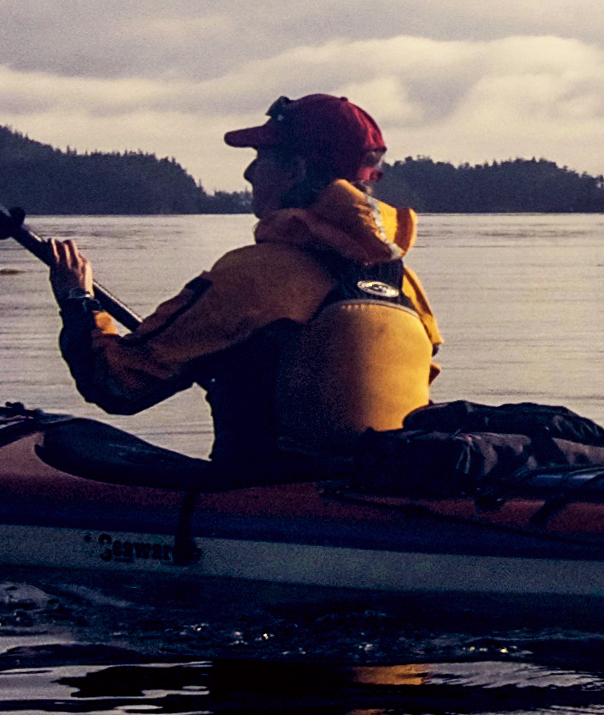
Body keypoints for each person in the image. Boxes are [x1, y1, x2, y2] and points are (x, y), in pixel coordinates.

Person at [46, 94, 439, 476]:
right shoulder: (404, 282)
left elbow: (115, 383)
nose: (249, 173)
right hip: (379, 494)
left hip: (262, 499)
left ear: (296, 170)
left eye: (260, 157)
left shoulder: (253, 276)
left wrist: (77, 298)